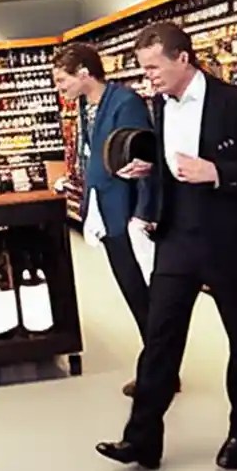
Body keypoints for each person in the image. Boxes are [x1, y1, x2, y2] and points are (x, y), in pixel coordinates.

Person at [95, 22, 237, 471]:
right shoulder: (159, 106)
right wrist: (146, 169)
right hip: (177, 238)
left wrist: (219, 172)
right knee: (160, 339)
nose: (148, 76)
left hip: (231, 240)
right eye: (143, 68)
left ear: (182, 58)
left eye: (154, 67)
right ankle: (142, 439)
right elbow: (170, 163)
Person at [51, 43, 160, 396]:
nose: (59, 88)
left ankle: (159, 371)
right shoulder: (86, 104)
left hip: (127, 213)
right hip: (106, 210)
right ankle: (160, 367)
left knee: (142, 294)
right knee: (132, 292)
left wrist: (142, 215)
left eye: (62, 80)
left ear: (84, 73)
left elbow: (145, 161)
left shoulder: (126, 103)